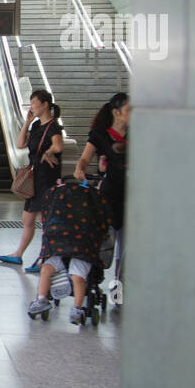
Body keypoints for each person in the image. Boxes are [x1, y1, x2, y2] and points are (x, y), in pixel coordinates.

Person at [27, 179, 110, 325]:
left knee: (77, 277)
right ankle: (41, 299)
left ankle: (77, 308)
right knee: (46, 269)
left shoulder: (88, 217)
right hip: (61, 249)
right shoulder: (61, 217)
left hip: (82, 250)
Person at [0, 90, 64, 272]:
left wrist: (47, 153)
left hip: (47, 179)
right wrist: (26, 122)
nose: (31, 105)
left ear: (45, 105)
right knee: (28, 218)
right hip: (36, 179)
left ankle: (45, 259)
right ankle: (19, 254)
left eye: (34, 102)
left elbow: (58, 145)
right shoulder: (36, 126)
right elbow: (20, 144)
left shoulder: (53, 127)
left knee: (44, 220)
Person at [74, 92, 130, 282]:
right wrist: (80, 169)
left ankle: (120, 288)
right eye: (129, 110)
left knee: (128, 247)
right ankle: (94, 280)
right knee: (104, 242)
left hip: (133, 196)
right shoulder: (99, 135)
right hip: (109, 195)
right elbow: (85, 158)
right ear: (116, 112)